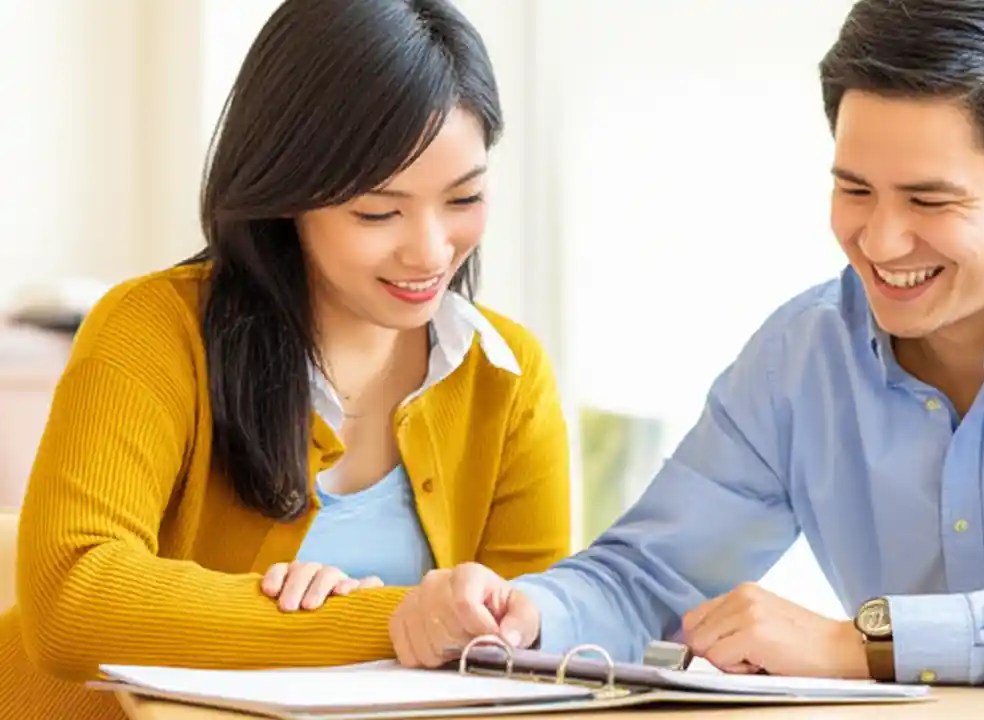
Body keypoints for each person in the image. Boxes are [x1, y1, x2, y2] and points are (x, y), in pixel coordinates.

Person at [390, 0, 984, 691]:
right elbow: (648, 577)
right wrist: (520, 612)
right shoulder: (801, 354)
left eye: (930, 202)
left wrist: (869, 645)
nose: (880, 243)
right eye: (855, 188)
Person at [0, 1, 570, 718]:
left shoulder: (507, 375)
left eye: (465, 198)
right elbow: (73, 600)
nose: (430, 251)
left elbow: (537, 648)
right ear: (287, 191)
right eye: (377, 212)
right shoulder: (152, 330)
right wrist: (390, 621)